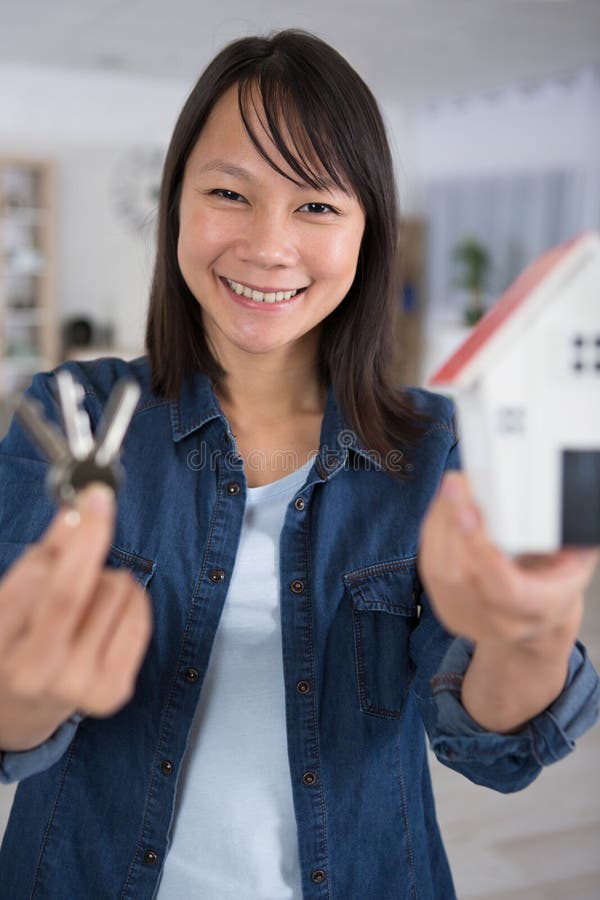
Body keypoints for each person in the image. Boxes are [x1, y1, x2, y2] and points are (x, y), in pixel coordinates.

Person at [0, 29, 598, 900]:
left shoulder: (434, 451)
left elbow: (492, 749)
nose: (268, 245)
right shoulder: (73, 418)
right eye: (229, 193)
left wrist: (532, 629)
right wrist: (24, 688)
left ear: (366, 231)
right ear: (177, 205)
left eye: (316, 205)